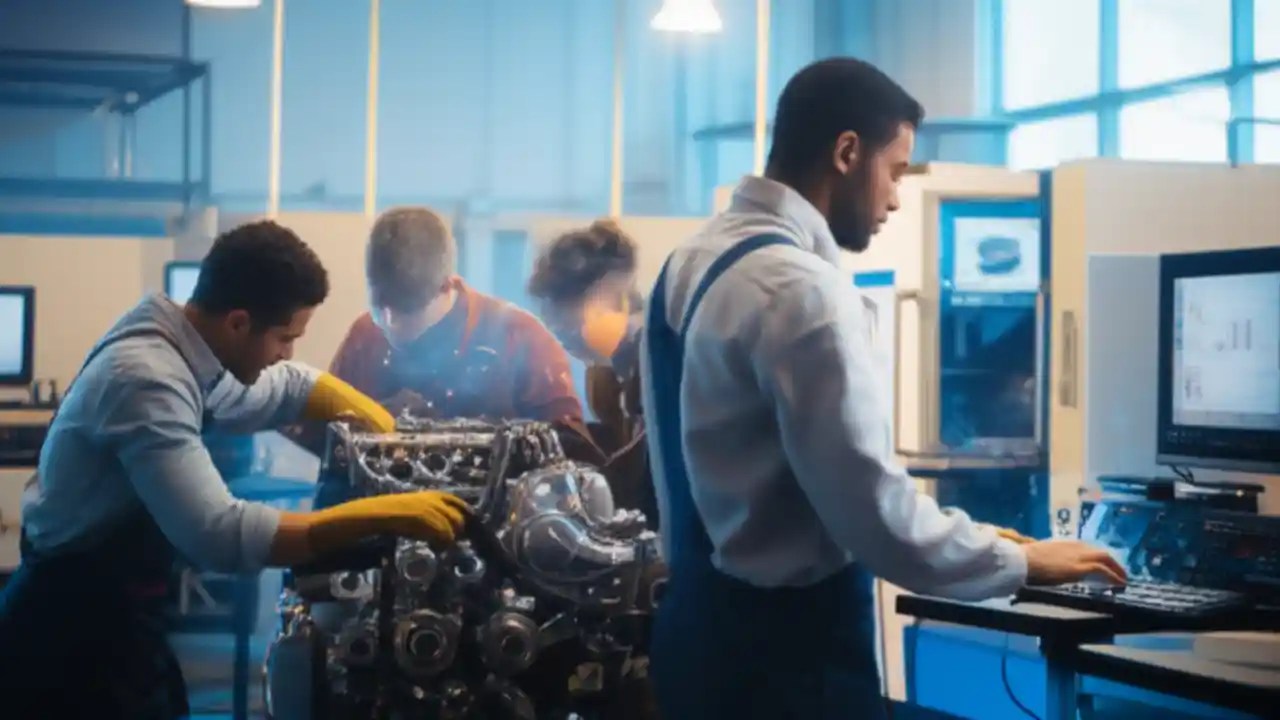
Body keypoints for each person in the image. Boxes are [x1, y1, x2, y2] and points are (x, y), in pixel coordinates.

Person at [640, 58, 1126, 720]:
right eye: (895, 170)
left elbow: (756, 473)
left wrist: (991, 539)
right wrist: (1025, 564)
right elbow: (877, 516)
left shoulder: (691, 261)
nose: (896, 198)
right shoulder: (802, 291)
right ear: (847, 153)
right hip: (784, 665)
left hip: (696, 640)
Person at [0, 221, 468, 719]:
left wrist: (367, 415)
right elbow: (218, 533)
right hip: (67, 629)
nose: (288, 352)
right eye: (285, 337)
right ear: (239, 323)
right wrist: (376, 517)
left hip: (114, 614)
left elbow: (272, 388)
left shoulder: (183, 349)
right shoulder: (146, 379)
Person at [308, 207, 604, 508]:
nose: (390, 322)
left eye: (407, 310)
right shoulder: (364, 337)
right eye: (380, 307)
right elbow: (326, 440)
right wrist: (371, 422)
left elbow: (572, 451)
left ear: (447, 285)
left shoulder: (519, 338)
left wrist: (466, 436)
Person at [526, 219, 656, 526]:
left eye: (570, 330)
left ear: (611, 292)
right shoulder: (603, 377)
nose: (566, 341)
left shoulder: (657, 359)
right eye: (561, 335)